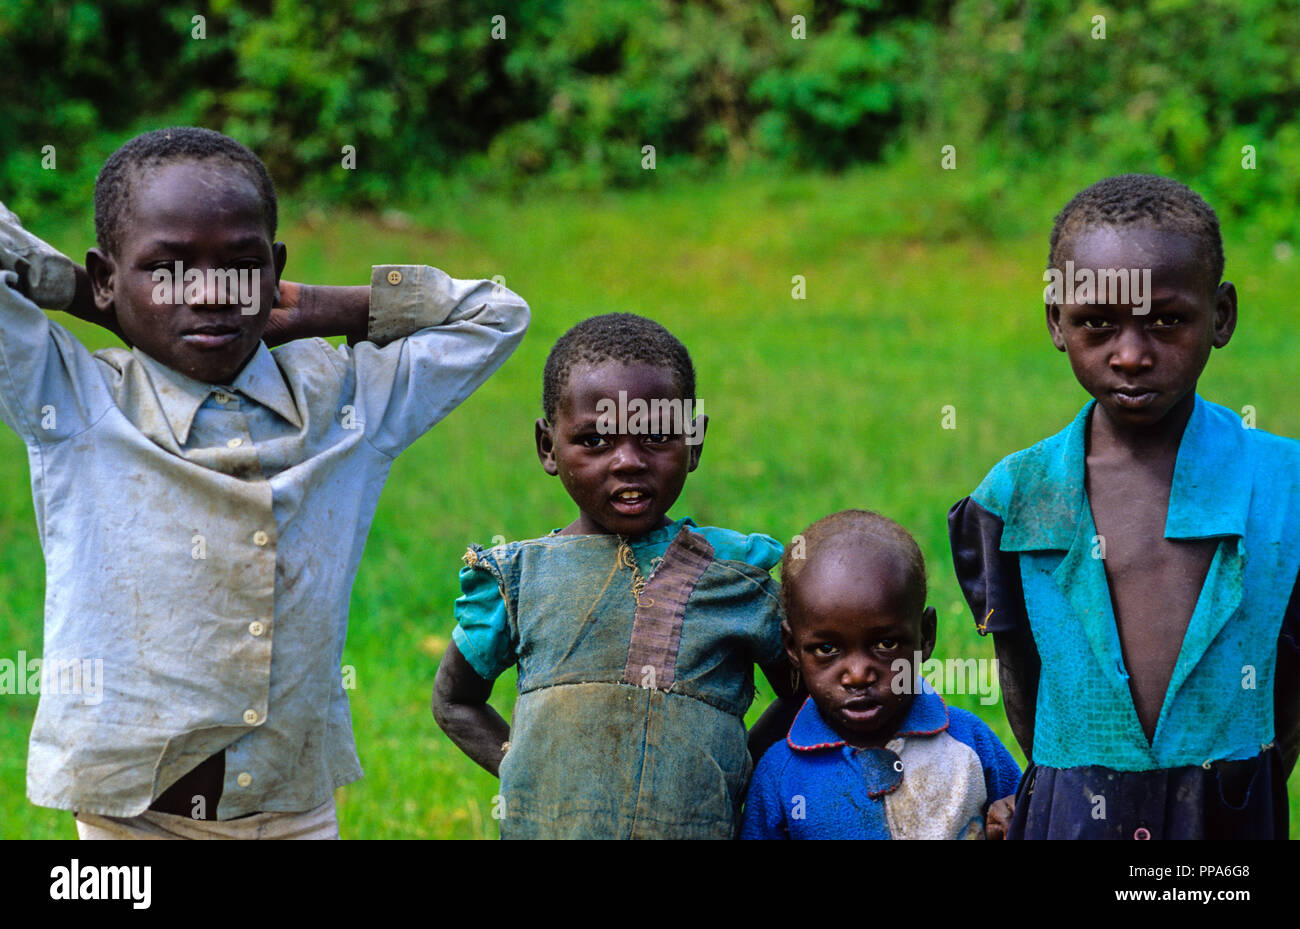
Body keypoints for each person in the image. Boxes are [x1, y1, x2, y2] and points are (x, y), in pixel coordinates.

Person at [0, 126, 529, 838]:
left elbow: (497, 315)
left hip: (291, 806)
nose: (211, 293)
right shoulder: (77, 401)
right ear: (107, 274)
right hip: (133, 816)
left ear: (274, 272)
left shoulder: (347, 401)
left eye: (241, 267)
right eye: (168, 269)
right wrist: (79, 293)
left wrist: (311, 307)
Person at [949, 173, 1300, 839]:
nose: (1132, 354)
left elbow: (1292, 682)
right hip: (1071, 814)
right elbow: (1022, 681)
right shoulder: (1014, 497)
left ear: (1221, 315)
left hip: (1230, 814)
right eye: (1097, 324)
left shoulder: (1285, 486)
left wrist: (1237, 780)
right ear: (1057, 320)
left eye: (1167, 320)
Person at [432, 312, 797, 838]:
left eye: (655, 437)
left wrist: (741, 766)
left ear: (693, 441)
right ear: (547, 447)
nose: (627, 460)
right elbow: (454, 700)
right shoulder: (518, 579)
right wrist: (524, 767)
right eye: (595, 441)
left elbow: (805, 690)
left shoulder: (736, 575)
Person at [740, 510, 1020, 839]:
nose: (858, 675)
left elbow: (1024, 812)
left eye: (886, 644)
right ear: (792, 648)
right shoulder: (780, 773)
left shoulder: (969, 743)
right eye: (827, 649)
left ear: (926, 636)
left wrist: (1013, 820)